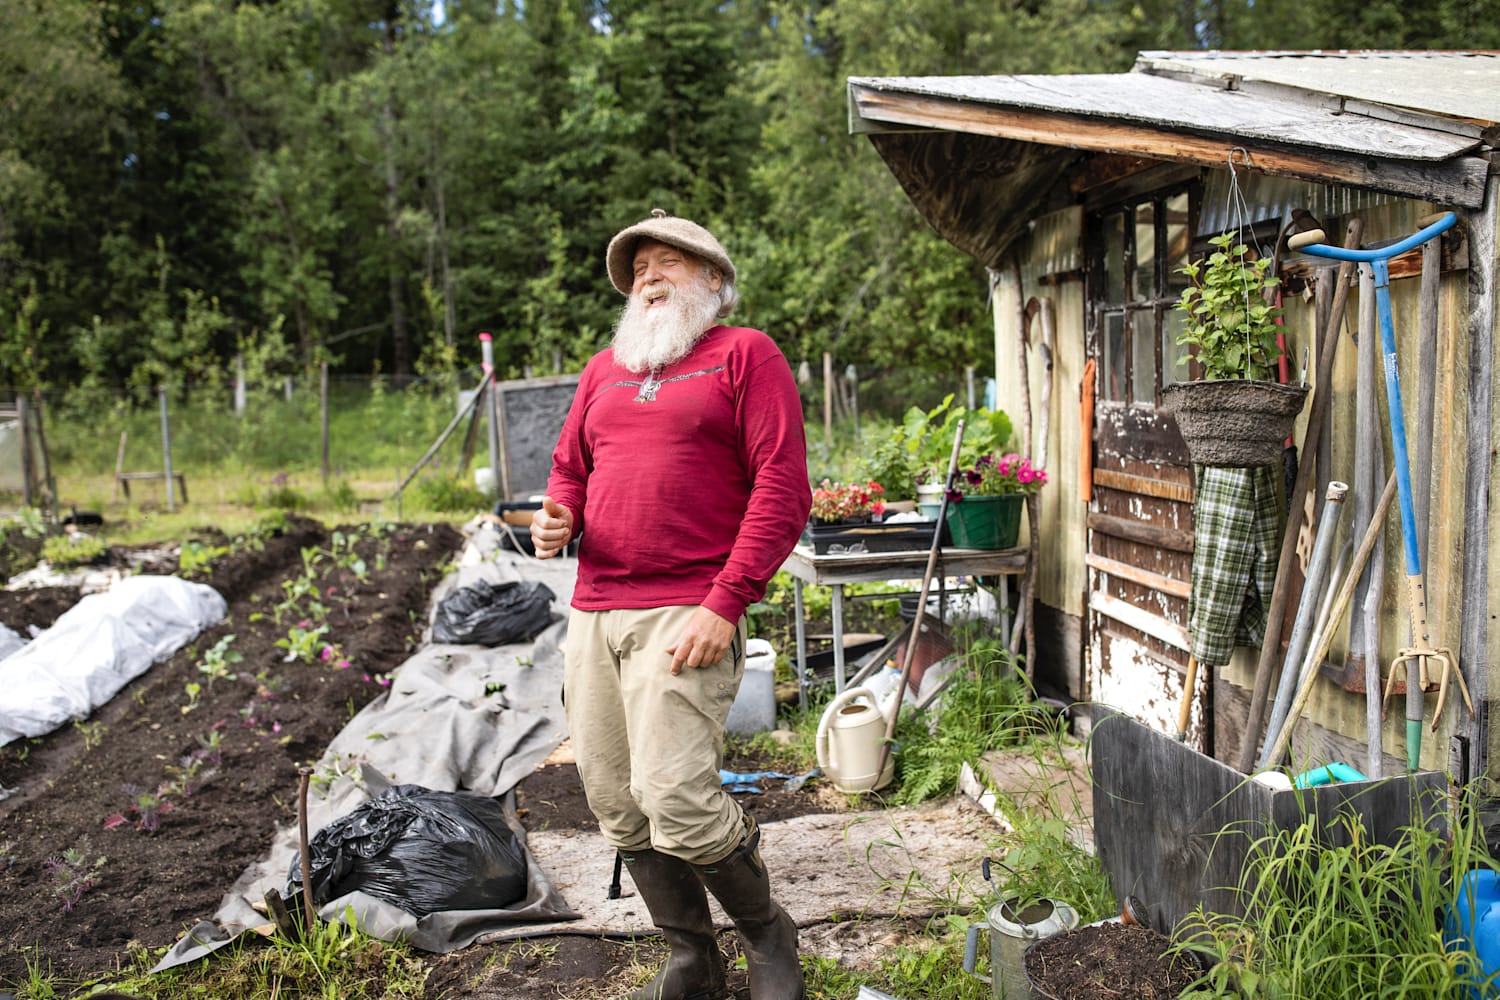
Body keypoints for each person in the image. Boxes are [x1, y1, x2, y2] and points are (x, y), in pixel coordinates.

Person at [531, 209, 810, 1000]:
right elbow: (570, 469)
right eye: (639, 270)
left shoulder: (745, 355)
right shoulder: (604, 370)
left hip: (686, 607)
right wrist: (560, 515)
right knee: (615, 800)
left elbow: (783, 487)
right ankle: (692, 954)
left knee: (677, 799)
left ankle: (767, 934)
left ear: (713, 280)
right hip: (595, 609)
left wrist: (726, 602)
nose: (648, 278)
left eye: (668, 264)